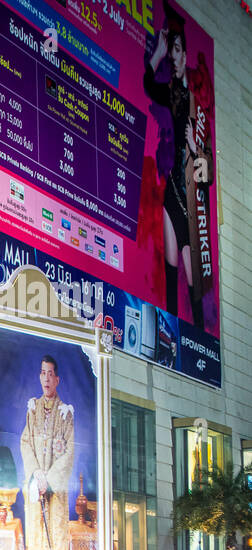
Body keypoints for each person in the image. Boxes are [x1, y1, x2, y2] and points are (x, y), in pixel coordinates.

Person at [143, 6, 213, 333]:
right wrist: (156, 54)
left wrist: (196, 147)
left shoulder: (198, 108)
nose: (172, 57)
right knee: (171, 273)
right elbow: (147, 85)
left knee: (193, 282)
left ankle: (198, 341)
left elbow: (207, 173)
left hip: (191, 197)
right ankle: (170, 338)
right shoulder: (171, 93)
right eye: (169, 51)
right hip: (173, 187)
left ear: (185, 55)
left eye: (174, 50)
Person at [19, 356, 75, 550]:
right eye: (42, 373)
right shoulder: (32, 409)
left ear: (57, 379)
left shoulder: (66, 413)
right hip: (36, 488)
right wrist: (36, 476)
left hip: (55, 494)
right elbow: (25, 444)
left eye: (51, 374)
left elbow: (68, 453)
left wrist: (49, 480)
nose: (46, 378)